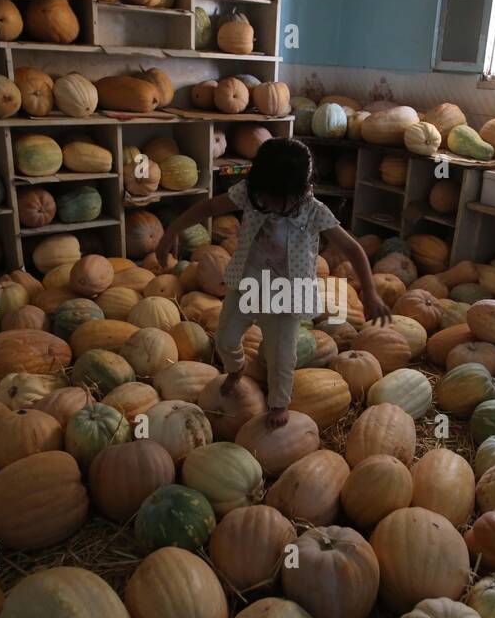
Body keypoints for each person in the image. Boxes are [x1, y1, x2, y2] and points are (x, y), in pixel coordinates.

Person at [155, 137, 390, 428]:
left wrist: (370, 292)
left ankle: (279, 402)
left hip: (287, 294)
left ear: (302, 190)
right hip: (249, 282)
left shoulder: (314, 211)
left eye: (279, 200)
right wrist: (171, 232)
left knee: (281, 355)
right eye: (264, 197)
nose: (269, 205)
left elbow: (353, 249)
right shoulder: (251, 194)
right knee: (226, 339)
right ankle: (237, 367)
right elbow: (208, 209)